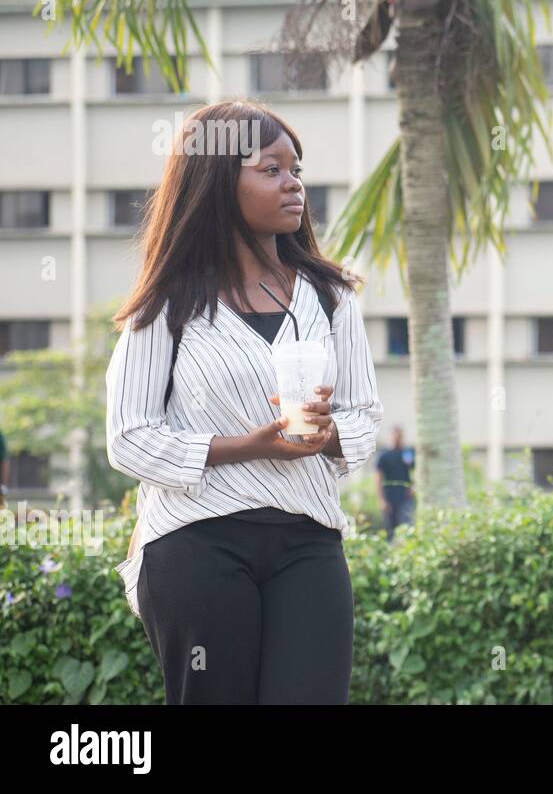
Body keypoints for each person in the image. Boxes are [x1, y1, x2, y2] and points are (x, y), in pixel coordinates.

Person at [105, 99, 384, 704]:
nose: (294, 186)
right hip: (194, 543)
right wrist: (247, 447)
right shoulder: (169, 304)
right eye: (272, 170)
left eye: (297, 171)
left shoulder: (329, 297)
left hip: (308, 542)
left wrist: (328, 433)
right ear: (216, 183)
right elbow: (128, 437)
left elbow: (365, 417)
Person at [374, 426, 415, 540]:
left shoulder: (408, 453)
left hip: (405, 496)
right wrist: (381, 499)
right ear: (391, 436)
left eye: (400, 436)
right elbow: (378, 477)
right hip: (389, 496)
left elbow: (416, 471)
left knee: (406, 526)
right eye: (396, 436)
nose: (398, 438)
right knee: (390, 529)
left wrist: (413, 487)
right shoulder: (384, 455)